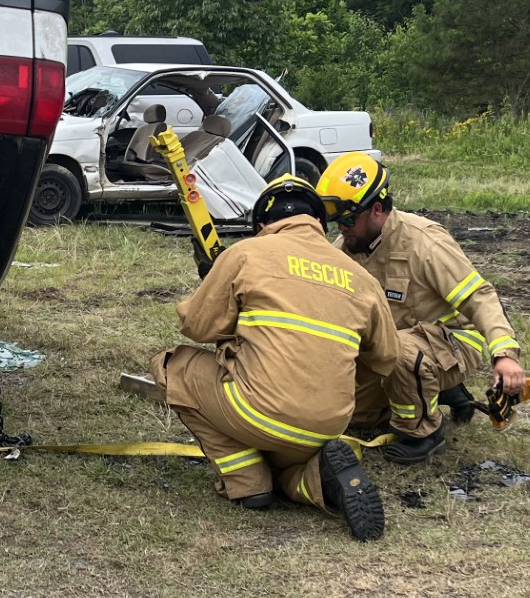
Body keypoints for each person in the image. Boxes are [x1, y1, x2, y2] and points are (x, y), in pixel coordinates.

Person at [154, 175, 399, 530]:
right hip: (329, 424)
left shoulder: (246, 253)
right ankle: (316, 481)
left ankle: (248, 482)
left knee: (173, 366)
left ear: (263, 225)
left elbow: (196, 326)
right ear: (318, 221)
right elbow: (386, 359)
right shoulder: (361, 277)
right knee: (287, 467)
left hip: (259, 413)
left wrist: (221, 297)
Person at [317, 153, 528, 464]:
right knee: (358, 417)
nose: (342, 228)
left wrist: (504, 354)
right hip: (398, 349)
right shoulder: (345, 250)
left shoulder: (425, 243)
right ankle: (442, 392)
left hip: (453, 342)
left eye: (348, 219)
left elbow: (478, 296)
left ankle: (424, 433)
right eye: (338, 221)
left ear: (377, 210)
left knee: (399, 352)